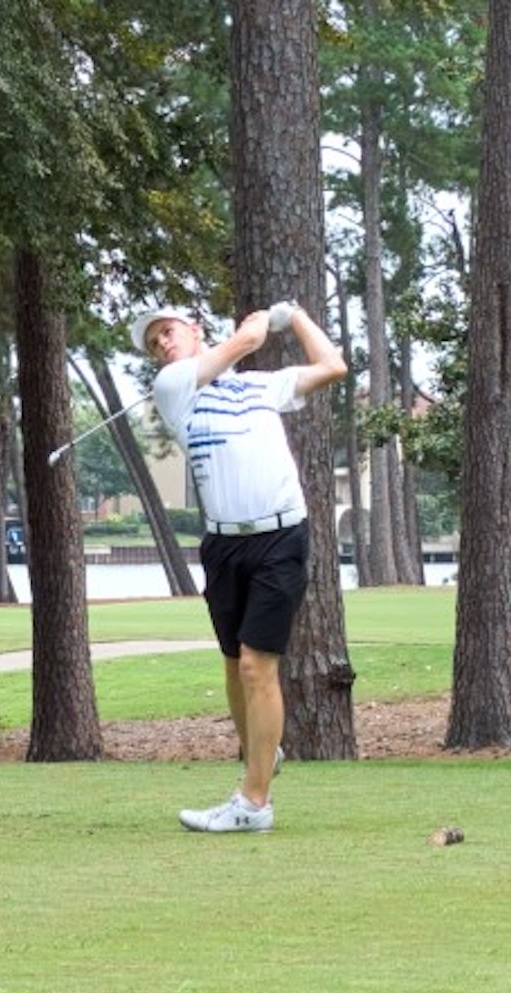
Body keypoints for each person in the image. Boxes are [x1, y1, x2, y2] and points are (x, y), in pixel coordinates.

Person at [132, 301, 347, 832]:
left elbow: (332, 366)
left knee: (256, 665)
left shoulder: (259, 387)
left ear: (194, 331)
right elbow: (243, 343)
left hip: (280, 536)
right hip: (223, 545)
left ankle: (254, 805)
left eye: (169, 331)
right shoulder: (174, 388)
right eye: (153, 340)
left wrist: (294, 316)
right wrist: (257, 326)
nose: (161, 343)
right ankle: (260, 752)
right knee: (234, 663)